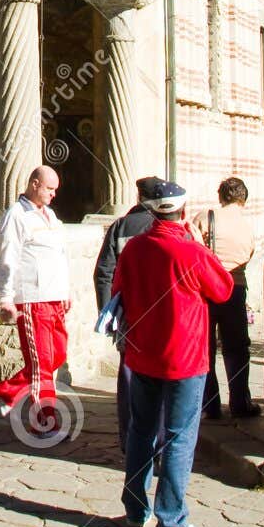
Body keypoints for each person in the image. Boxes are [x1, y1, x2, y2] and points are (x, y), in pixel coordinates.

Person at [112, 180, 232, 527]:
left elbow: (118, 287)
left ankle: (135, 512)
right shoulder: (190, 252)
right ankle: (172, 521)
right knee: (179, 439)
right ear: (182, 210)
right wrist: (197, 242)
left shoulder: (134, 249)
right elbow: (223, 288)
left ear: (149, 210)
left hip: (143, 354)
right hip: (184, 358)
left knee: (140, 432)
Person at [0, 166, 69, 435]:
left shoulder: (50, 215)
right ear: (35, 184)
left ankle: (8, 391)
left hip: (53, 298)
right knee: (41, 364)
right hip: (33, 299)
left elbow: (58, 256)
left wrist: (64, 292)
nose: (53, 194)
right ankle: (46, 421)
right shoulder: (16, 215)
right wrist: (6, 296)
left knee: (57, 354)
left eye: (55, 190)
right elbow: (8, 256)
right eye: (49, 189)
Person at [93, 175, 167, 451]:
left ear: (138, 198)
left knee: (128, 374)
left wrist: (107, 312)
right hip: (160, 312)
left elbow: (104, 272)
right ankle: (157, 441)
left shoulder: (120, 226)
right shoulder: (164, 225)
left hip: (128, 312)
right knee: (159, 375)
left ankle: (129, 438)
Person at [201, 176, 259, 420]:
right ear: (243, 199)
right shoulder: (247, 225)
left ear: (221, 196)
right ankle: (240, 402)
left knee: (206, 348)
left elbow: (195, 246)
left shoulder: (206, 217)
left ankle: (210, 405)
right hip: (234, 288)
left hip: (206, 288)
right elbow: (249, 252)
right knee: (237, 348)